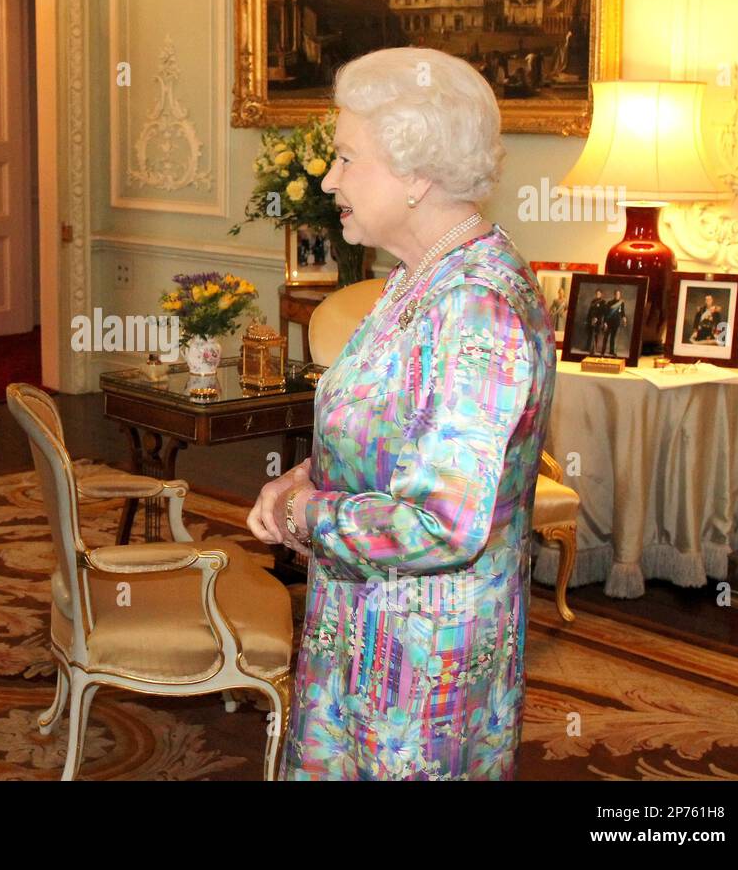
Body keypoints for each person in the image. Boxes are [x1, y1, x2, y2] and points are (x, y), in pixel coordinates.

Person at [247, 46, 556, 780]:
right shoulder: (417, 277)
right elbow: (379, 437)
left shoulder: (476, 306)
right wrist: (297, 477)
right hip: (363, 631)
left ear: (416, 174)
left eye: (347, 158)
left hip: (421, 677)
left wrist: (304, 514)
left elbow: (441, 523)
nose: (330, 179)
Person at [602, 289, 627, 357]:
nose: (617, 295)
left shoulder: (621, 303)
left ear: (620, 295)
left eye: (618, 294)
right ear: (614, 295)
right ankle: (603, 351)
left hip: (616, 322)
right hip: (609, 322)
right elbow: (606, 313)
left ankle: (611, 351)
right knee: (606, 337)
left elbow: (622, 312)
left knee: (613, 337)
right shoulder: (610, 302)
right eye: (616, 294)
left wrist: (624, 319)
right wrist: (605, 322)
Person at [585, 288, 607, 354]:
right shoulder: (593, 301)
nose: (598, 294)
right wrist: (588, 319)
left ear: (601, 294)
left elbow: (603, 312)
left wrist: (597, 318)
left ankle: (594, 348)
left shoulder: (603, 302)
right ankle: (588, 348)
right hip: (591, 319)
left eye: (599, 293)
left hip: (598, 320)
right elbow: (590, 311)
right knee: (590, 334)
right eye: (597, 293)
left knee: (596, 334)